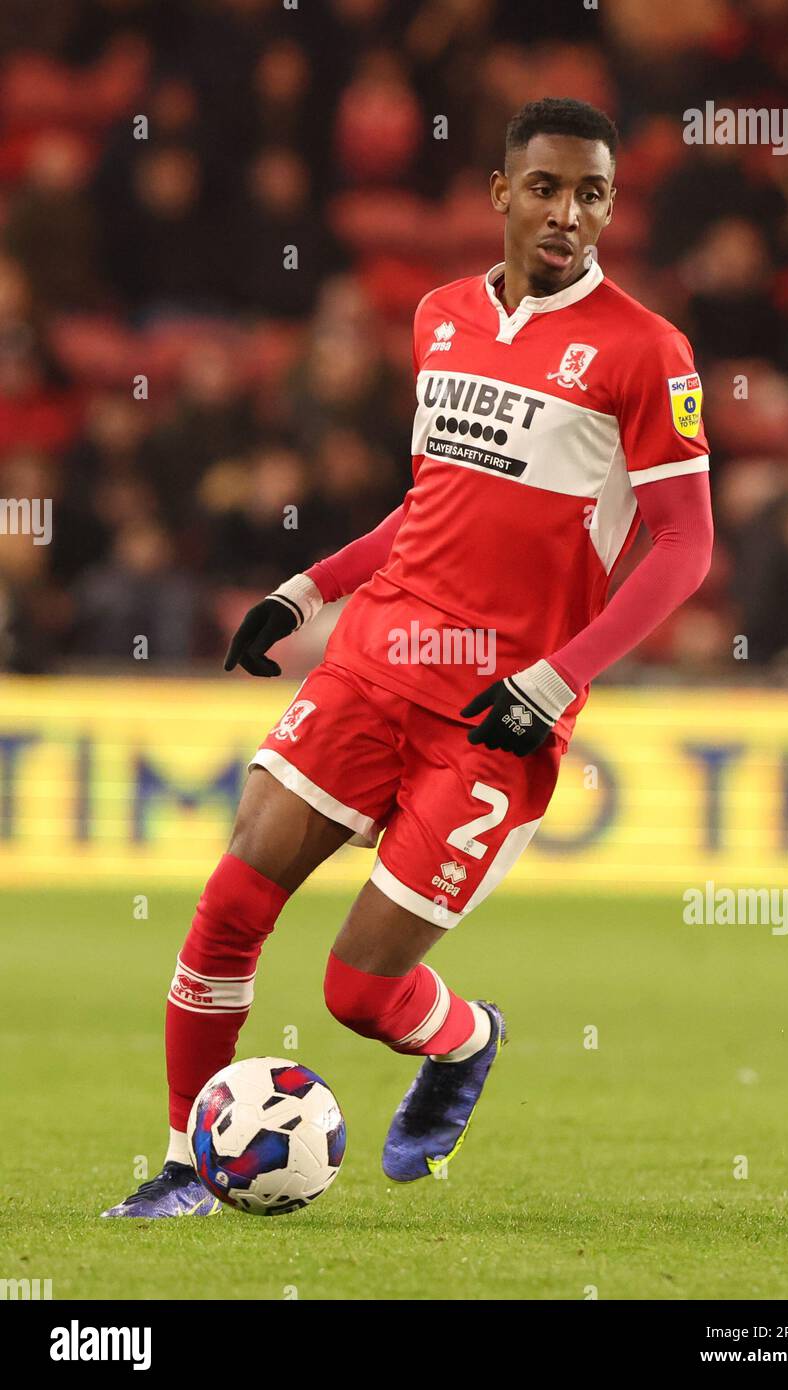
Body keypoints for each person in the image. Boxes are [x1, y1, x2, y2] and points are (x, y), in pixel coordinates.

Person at [102, 96, 714, 1218]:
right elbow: (431, 504)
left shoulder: (646, 352)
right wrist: (307, 589)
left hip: (500, 712)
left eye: (591, 194)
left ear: (611, 208)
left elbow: (686, 544)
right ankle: (188, 1160)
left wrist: (556, 674)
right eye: (545, 187)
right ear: (499, 194)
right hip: (377, 661)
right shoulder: (438, 317)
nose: (567, 213)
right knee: (232, 897)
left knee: (356, 990)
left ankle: (466, 1038)